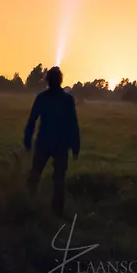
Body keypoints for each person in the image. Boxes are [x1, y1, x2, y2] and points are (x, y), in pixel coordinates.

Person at [24, 66, 81, 216]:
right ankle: (57, 211)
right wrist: (75, 147)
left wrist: (27, 141)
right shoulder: (68, 100)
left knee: (35, 175)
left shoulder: (42, 98)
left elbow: (32, 121)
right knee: (59, 179)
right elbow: (73, 124)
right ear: (61, 80)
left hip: (43, 141)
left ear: (47, 80)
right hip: (61, 144)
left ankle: (27, 204)